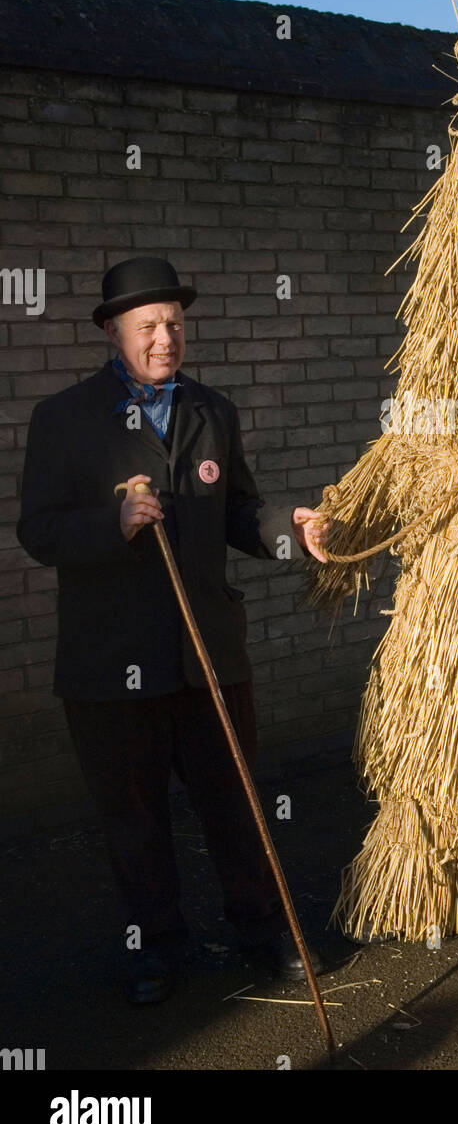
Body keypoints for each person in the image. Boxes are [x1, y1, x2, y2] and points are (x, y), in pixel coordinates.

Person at [17, 257, 331, 1004]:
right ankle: (155, 947)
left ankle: (258, 930)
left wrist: (287, 529)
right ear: (112, 332)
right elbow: (37, 530)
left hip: (208, 658)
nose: (166, 339)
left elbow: (239, 513)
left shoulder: (210, 411)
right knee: (134, 819)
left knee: (236, 802)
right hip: (109, 667)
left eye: (175, 325)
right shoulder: (63, 418)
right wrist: (112, 522)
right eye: (149, 326)